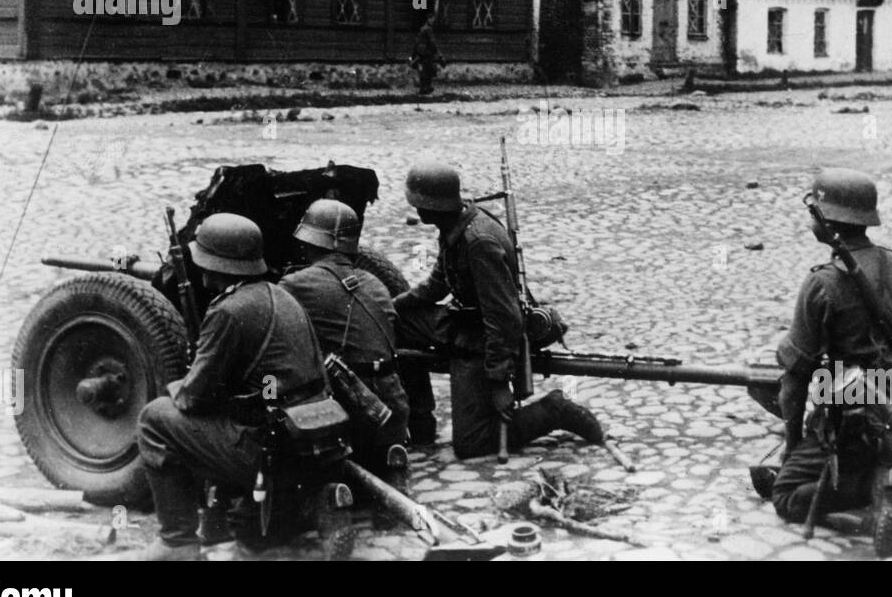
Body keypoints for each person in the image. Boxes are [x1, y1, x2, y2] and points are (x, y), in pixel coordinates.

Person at [750, 168, 892, 556]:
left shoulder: (823, 283)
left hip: (858, 422)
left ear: (826, 221)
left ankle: (884, 484)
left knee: (785, 496)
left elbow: (795, 381)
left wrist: (793, 444)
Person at [136, 213, 341, 560]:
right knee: (251, 528)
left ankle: (177, 542)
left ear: (215, 266)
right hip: (311, 440)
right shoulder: (283, 296)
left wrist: (175, 383)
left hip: (269, 450)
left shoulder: (228, 311)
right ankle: (263, 510)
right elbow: (276, 382)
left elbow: (191, 399)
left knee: (155, 418)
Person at [391, 160, 603, 459]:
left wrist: (498, 381)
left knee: (472, 444)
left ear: (434, 206)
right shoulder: (455, 224)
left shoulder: (479, 242)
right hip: (463, 321)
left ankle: (554, 410)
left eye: (418, 203)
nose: (415, 209)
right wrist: (394, 305)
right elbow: (439, 283)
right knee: (394, 321)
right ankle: (420, 421)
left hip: (484, 338)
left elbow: (504, 318)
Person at [280, 199, 410, 491]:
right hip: (391, 408)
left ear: (307, 242)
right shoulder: (376, 283)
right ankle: (388, 454)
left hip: (351, 412)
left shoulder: (294, 285)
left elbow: (279, 345)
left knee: (272, 383)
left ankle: (331, 484)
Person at [409, 14, 446, 96]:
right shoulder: (428, 29)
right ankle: (426, 88)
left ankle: (424, 88)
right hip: (427, 53)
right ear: (429, 19)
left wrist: (414, 54)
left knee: (423, 70)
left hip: (421, 53)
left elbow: (417, 42)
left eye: (433, 19)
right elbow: (432, 42)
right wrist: (439, 54)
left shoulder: (422, 28)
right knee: (428, 70)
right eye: (432, 19)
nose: (432, 21)